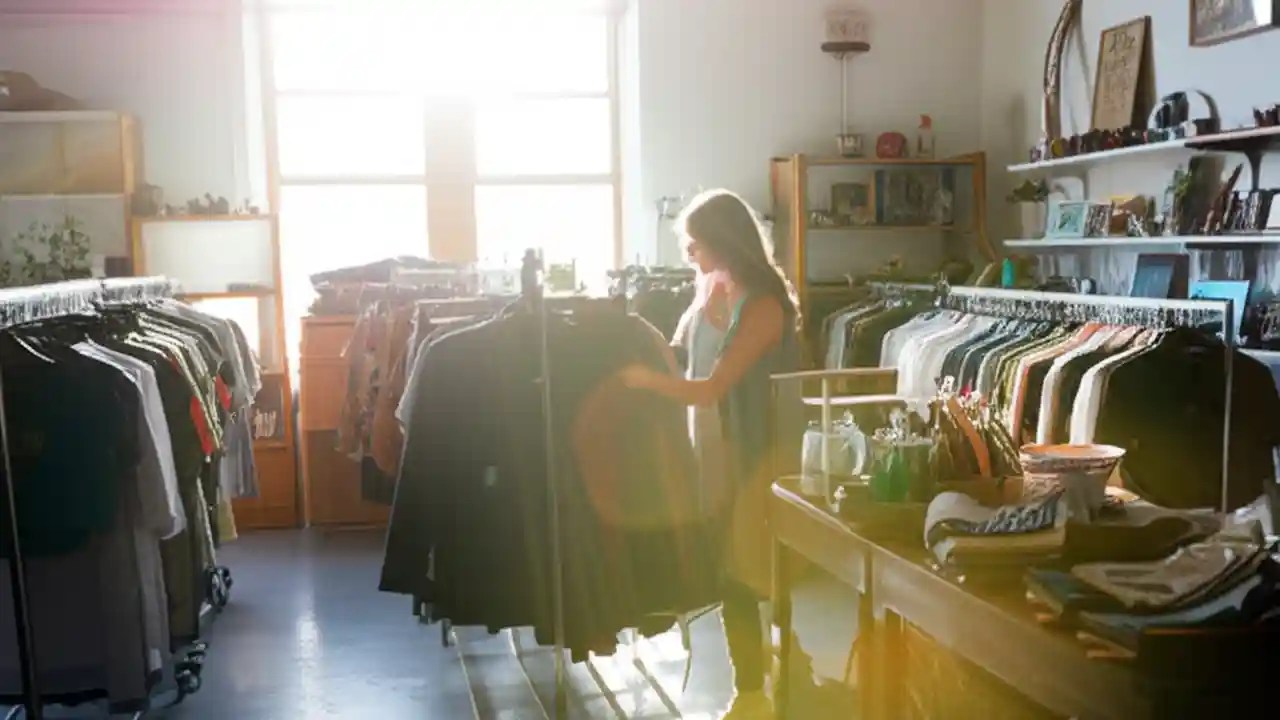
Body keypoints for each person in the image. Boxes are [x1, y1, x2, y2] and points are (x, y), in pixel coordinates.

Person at [621, 189, 801, 720]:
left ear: (722, 242)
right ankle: (759, 681)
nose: (689, 257)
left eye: (694, 246)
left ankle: (760, 685)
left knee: (748, 568)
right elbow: (681, 357)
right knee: (733, 567)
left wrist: (640, 382)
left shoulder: (764, 304)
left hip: (754, 453)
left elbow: (712, 386)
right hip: (716, 451)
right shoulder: (712, 294)